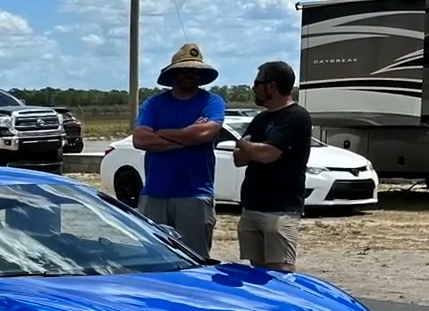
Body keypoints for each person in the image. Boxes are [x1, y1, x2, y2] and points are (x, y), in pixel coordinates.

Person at [130, 43, 225, 256]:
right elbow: (140, 139)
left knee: (194, 258)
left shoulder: (212, 102)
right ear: (173, 74)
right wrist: (187, 137)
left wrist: (161, 132)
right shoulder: (154, 104)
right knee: (154, 257)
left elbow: (204, 134)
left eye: (195, 71)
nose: (190, 74)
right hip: (155, 193)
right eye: (184, 70)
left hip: (195, 195)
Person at [233, 60, 314, 271]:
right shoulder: (260, 119)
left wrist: (245, 144)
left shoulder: (296, 116)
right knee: (256, 273)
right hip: (252, 206)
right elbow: (239, 158)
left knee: (280, 272)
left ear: (272, 86)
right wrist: (252, 149)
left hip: (280, 210)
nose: (254, 88)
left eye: (257, 83)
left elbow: (267, 154)